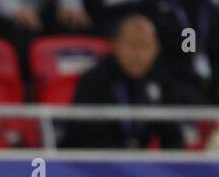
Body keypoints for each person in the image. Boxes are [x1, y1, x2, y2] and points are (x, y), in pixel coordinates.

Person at [65, 13, 202, 149]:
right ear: (115, 45)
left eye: (145, 46)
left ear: (156, 49)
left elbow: (173, 137)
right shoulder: (94, 80)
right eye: (132, 44)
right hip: (91, 164)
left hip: (139, 165)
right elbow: (84, 136)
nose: (138, 54)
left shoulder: (161, 82)